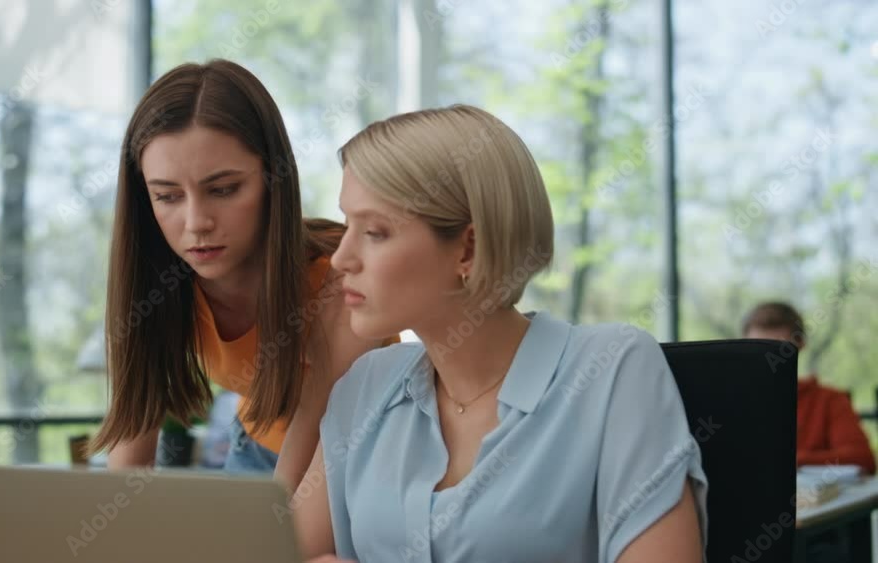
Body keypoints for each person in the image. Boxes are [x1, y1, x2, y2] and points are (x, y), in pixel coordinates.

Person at [295, 105, 707, 562]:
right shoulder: (364, 387)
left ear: (467, 249)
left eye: (374, 232)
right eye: (347, 225)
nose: (341, 258)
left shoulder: (613, 369)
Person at [88, 59, 394, 488]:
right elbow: (133, 435)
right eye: (167, 196)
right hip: (253, 450)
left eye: (224, 189)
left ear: (274, 178)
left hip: (356, 469)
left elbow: (318, 440)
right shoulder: (161, 285)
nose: (196, 223)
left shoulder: (342, 278)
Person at [743, 301, 876, 474]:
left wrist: (790, 459)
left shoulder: (829, 400)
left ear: (801, 344)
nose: (768, 359)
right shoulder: (735, 401)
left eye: (779, 349)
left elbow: (862, 458)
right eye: (756, 348)